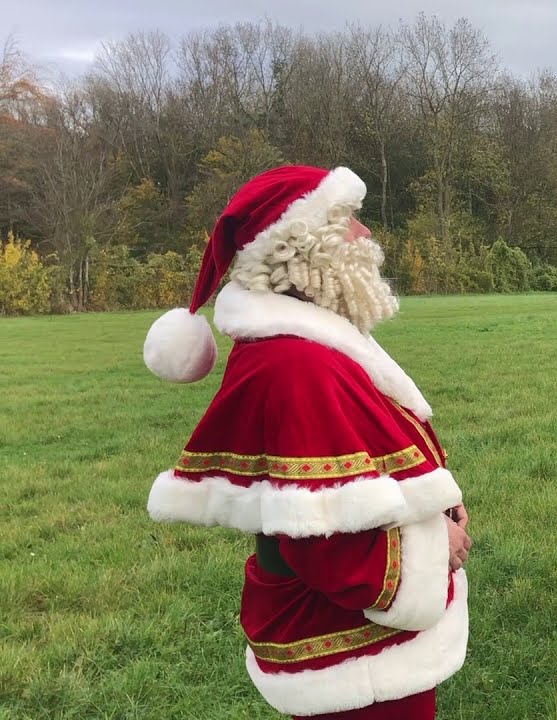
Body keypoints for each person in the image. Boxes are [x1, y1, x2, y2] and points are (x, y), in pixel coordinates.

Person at [142, 165, 470, 719]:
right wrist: (436, 545)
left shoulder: (308, 348)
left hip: (347, 635)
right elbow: (319, 535)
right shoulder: (294, 364)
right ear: (298, 247)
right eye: (349, 220)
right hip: (346, 646)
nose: (366, 235)